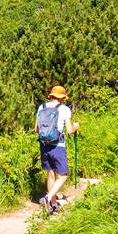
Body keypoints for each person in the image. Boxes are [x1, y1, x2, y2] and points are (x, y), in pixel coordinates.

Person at [35, 85, 78, 213]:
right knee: (63, 176)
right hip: (57, 146)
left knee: (51, 174)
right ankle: (48, 198)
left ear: (52, 95)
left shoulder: (41, 107)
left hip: (44, 145)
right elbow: (70, 131)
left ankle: (53, 205)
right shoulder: (64, 109)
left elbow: (36, 129)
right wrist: (76, 126)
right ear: (62, 97)